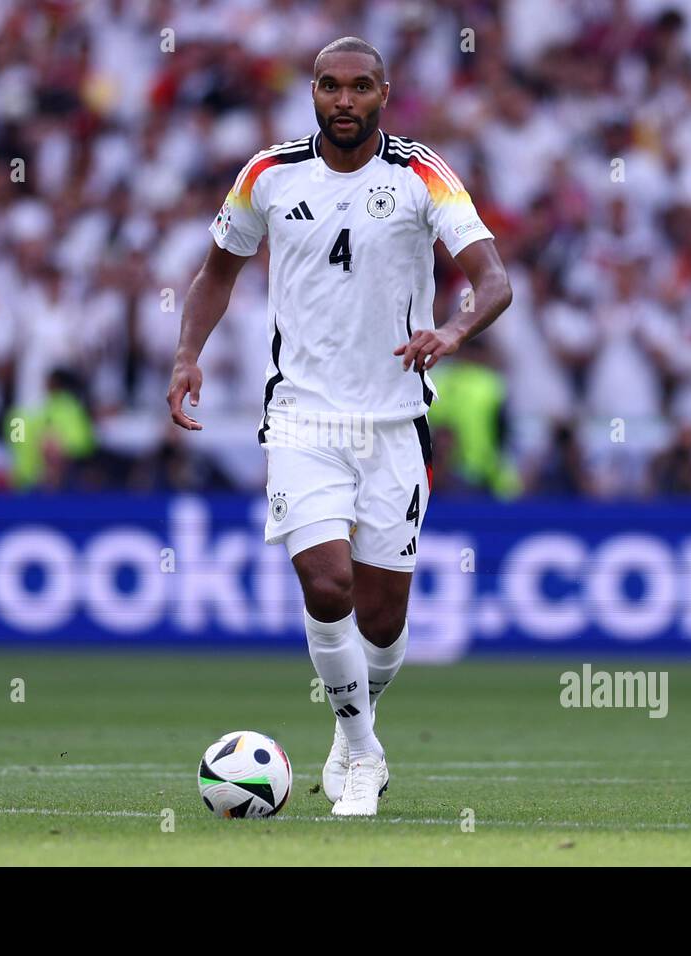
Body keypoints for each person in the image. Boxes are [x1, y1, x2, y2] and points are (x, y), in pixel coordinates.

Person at [167, 37, 511, 816]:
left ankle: (352, 726)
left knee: (384, 619)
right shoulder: (267, 174)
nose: (344, 100)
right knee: (327, 584)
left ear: (384, 93)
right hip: (300, 419)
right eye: (330, 86)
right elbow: (216, 272)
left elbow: (494, 279)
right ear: (313, 92)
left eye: (360, 87)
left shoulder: (422, 173)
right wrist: (189, 352)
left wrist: (452, 334)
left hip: (394, 423)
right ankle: (361, 755)